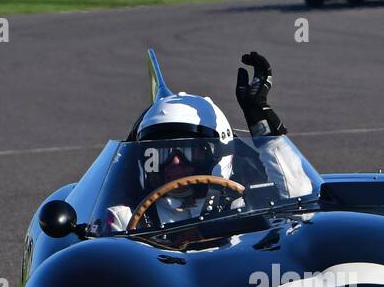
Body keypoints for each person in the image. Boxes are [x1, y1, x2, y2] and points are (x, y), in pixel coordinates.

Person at [106, 52, 310, 234]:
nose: (175, 162)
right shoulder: (128, 218)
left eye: (188, 152)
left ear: (219, 154)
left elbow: (302, 215)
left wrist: (265, 130)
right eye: (162, 153)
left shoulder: (245, 208)